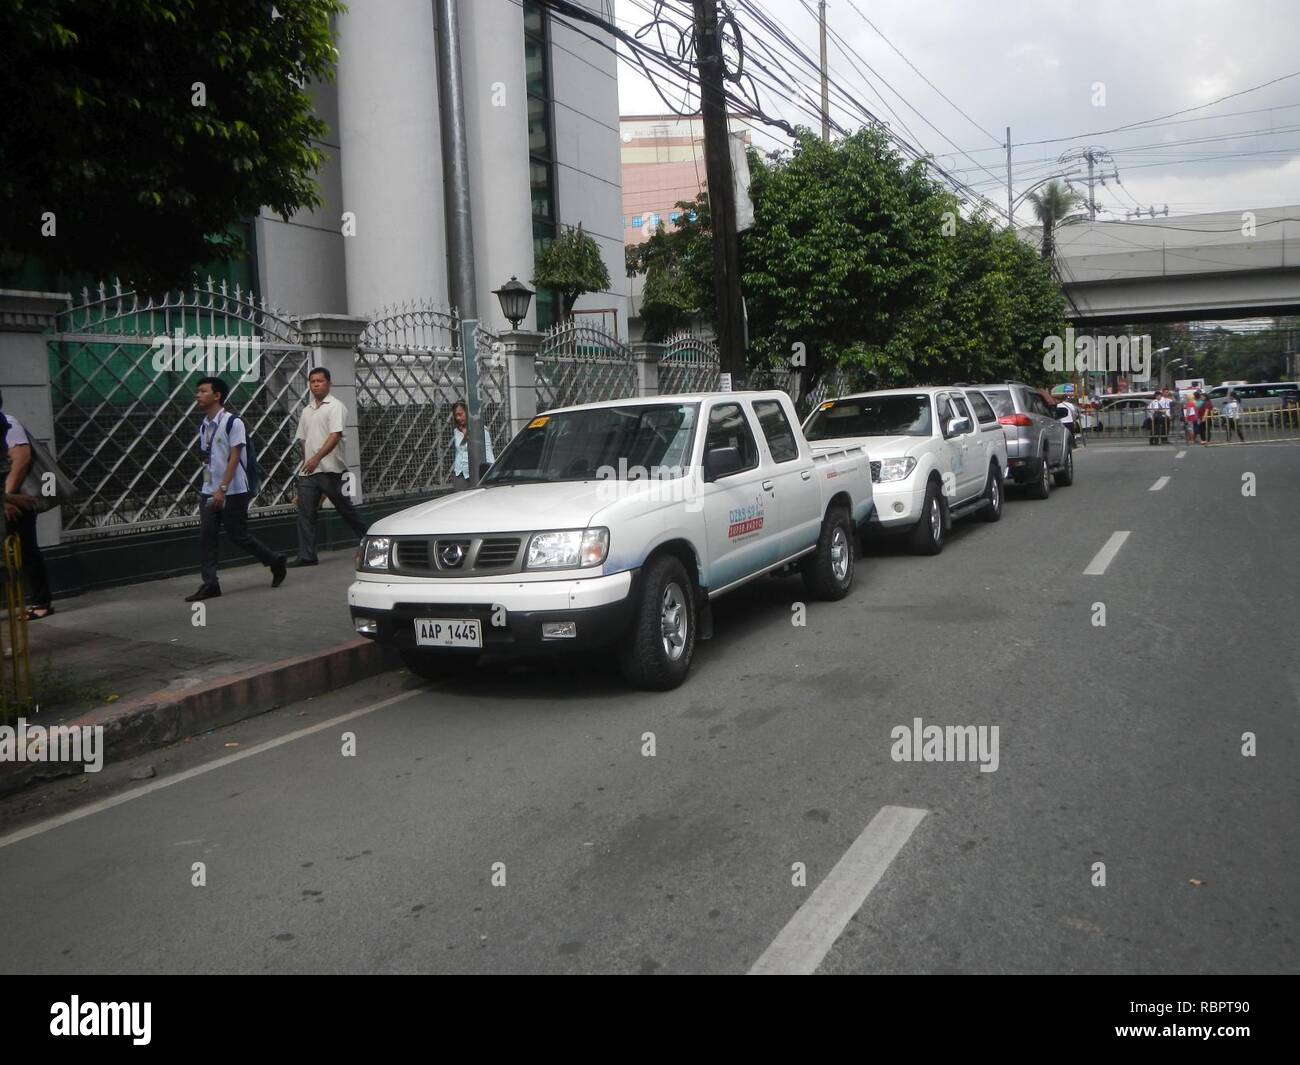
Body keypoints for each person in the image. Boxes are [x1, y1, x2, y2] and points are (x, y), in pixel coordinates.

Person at [186, 377, 286, 601]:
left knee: (239, 535)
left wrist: (222, 488)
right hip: (209, 490)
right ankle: (210, 584)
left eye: (203, 391)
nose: (197, 395)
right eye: (198, 391)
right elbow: (207, 458)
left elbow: (234, 457)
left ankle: (274, 560)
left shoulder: (233, 422)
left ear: (217, 395)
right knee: (207, 536)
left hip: (233, 491)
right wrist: (209, 486)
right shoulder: (204, 425)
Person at [289, 367, 369, 567]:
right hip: (309, 471)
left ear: (329, 383)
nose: (316, 384)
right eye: (312, 381)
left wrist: (316, 458)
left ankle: (370, 542)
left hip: (332, 469)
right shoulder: (307, 410)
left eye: (320, 381)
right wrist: (309, 460)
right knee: (305, 512)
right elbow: (303, 440)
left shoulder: (336, 406)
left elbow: (335, 436)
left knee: (345, 509)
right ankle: (307, 555)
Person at [0, 391, 55, 619]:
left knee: (26, 549)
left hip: (16, 499)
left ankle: (41, 601)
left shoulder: (9, 423)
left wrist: (7, 497)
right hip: (9, 500)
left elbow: (22, 458)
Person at [450, 401, 495, 490]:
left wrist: (491, 471)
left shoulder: (481, 430)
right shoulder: (456, 431)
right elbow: (459, 451)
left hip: (476, 473)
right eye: (456, 415)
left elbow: (488, 451)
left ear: (467, 413)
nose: (458, 418)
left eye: (460, 414)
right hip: (460, 474)